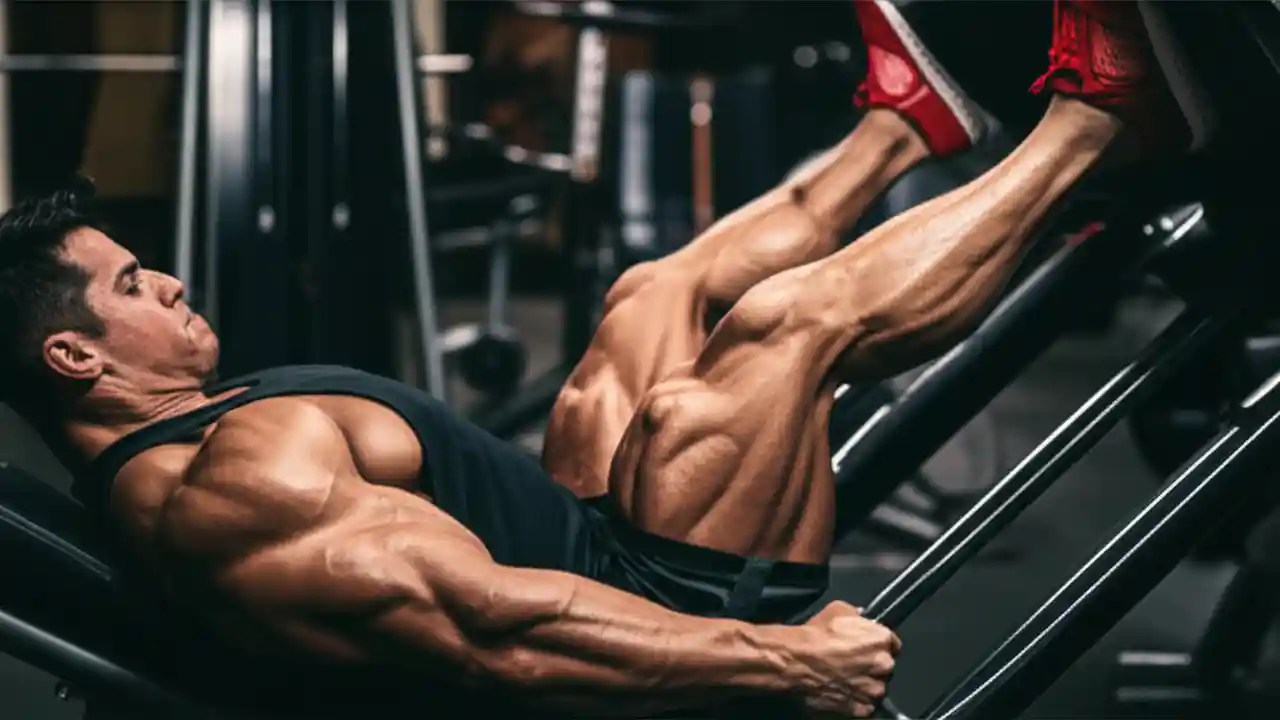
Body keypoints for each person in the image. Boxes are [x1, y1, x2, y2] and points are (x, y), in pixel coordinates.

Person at [0, 1, 1197, 717]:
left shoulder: (195, 439)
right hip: (653, 630)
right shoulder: (235, 499)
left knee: (652, 293)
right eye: (127, 285)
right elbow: (498, 635)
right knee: (782, 335)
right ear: (73, 355)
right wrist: (783, 664)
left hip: (595, 548)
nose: (164, 280)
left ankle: (904, 129)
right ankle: (1097, 130)